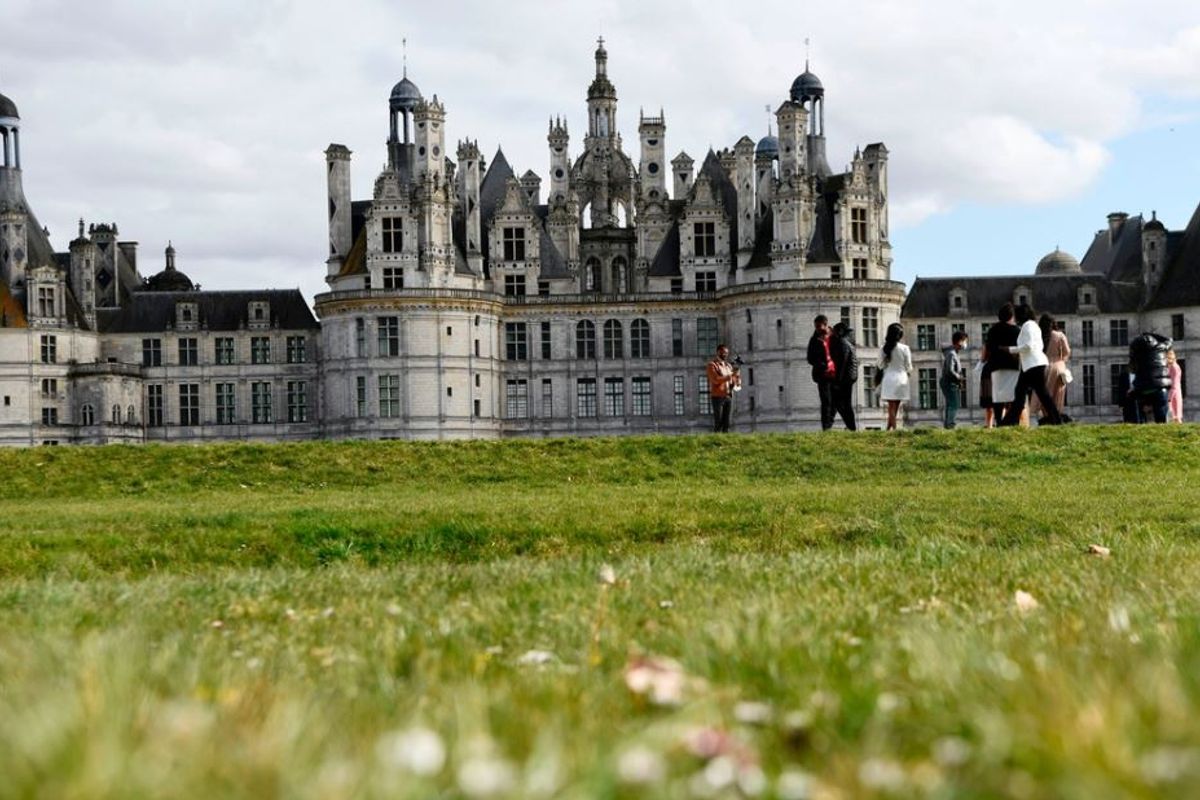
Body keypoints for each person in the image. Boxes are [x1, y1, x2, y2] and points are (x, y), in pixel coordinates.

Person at [1001, 304, 1062, 426]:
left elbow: (1028, 346)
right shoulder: (1033, 325)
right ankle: (1008, 422)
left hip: (1032, 365)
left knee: (1025, 395)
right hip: (1033, 364)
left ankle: (1008, 423)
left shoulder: (1027, 326)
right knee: (1028, 395)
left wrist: (1011, 350)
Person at [1031, 313, 1072, 423]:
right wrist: (1062, 360)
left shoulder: (1038, 337)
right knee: (1058, 395)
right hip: (1058, 367)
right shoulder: (1059, 336)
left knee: (1045, 396)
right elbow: (1067, 352)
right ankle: (1056, 418)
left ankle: (1048, 418)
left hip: (1043, 367)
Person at [984, 304, 1021, 425]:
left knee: (998, 395)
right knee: (1012, 395)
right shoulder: (1017, 330)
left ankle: (999, 420)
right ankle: (1012, 421)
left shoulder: (992, 330)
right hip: (1012, 366)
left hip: (996, 366)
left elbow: (988, 347)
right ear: (1011, 316)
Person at [1128, 332, 1173, 423]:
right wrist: (1151, 334)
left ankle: (1140, 422)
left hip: (1143, 387)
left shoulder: (1136, 351)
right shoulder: (1160, 347)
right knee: (1161, 414)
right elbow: (1169, 340)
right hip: (1160, 386)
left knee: (1140, 412)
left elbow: (1132, 369)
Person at [878, 322, 912, 430]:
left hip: (889, 378)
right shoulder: (905, 348)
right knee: (896, 405)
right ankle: (891, 429)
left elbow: (880, 364)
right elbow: (908, 366)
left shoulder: (883, 348)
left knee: (891, 407)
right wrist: (908, 372)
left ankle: (894, 429)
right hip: (901, 378)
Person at [806, 315, 837, 430]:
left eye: (819, 326)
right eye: (816, 327)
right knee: (826, 401)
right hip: (823, 375)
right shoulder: (814, 340)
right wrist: (822, 365)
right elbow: (810, 358)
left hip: (836, 374)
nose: (817, 329)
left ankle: (830, 422)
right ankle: (826, 427)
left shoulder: (835, 336)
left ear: (826, 324)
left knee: (835, 401)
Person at [829, 322, 858, 431]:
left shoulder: (842, 343)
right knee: (844, 404)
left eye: (835, 331)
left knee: (840, 404)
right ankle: (850, 426)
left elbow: (841, 363)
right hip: (849, 377)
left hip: (844, 378)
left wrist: (837, 380)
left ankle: (850, 426)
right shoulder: (849, 342)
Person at [706, 344, 740, 432]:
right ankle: (716, 442)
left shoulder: (728, 366)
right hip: (718, 397)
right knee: (719, 422)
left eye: (726, 353)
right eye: (723, 352)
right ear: (718, 352)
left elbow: (733, 382)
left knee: (727, 423)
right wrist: (730, 376)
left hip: (728, 396)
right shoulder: (712, 365)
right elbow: (715, 380)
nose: (725, 354)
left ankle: (725, 442)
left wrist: (736, 377)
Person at [939, 330, 968, 429]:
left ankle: (948, 424)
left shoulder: (952, 353)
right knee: (954, 404)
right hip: (949, 382)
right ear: (960, 341)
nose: (965, 344)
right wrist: (959, 377)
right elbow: (949, 370)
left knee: (950, 404)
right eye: (964, 341)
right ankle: (950, 424)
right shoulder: (952, 354)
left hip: (949, 382)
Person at [1167, 348, 1184, 423]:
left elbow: (1175, 384)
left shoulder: (1174, 367)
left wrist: (1169, 398)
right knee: (1174, 418)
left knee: (1176, 418)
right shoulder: (1171, 367)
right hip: (1174, 393)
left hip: (1174, 394)